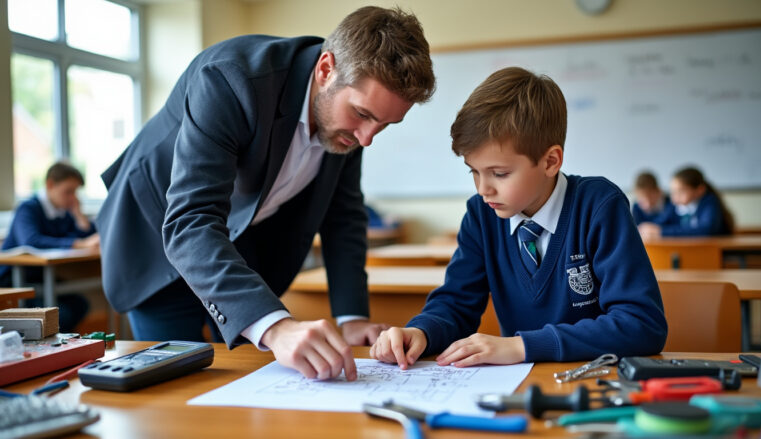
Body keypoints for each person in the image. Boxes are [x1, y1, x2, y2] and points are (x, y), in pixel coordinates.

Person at [96, 6, 435, 381]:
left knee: (243, 384)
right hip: (157, 244)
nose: (366, 138)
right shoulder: (231, 78)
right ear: (326, 70)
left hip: (238, 248)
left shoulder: (348, 130)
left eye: (385, 125)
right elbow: (191, 221)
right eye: (361, 114)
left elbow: (344, 217)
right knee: (180, 390)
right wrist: (275, 327)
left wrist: (352, 318)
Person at [371, 67, 667, 368]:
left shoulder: (599, 206)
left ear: (550, 161)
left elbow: (641, 324)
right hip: (517, 385)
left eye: (499, 173)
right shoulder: (481, 215)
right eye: (474, 171)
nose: (483, 189)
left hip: (593, 380)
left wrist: (524, 345)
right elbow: (457, 304)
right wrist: (422, 330)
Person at [0, 162, 99, 332]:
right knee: (63, 313)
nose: (72, 198)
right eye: (68, 191)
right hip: (14, 280)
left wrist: (78, 214)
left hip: (41, 278)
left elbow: (88, 236)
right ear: (50, 185)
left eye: (75, 192)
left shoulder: (63, 212)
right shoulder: (28, 208)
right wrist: (78, 243)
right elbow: (31, 241)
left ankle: (61, 346)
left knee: (80, 304)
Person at [638, 166, 734, 239]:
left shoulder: (710, 203)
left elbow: (706, 230)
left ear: (700, 190)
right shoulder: (676, 206)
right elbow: (660, 223)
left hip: (712, 253)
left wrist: (662, 232)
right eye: (673, 192)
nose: (674, 198)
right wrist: (649, 229)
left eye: (680, 192)